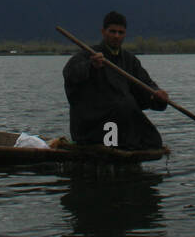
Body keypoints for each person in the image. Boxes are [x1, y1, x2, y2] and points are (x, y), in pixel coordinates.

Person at [63, 11, 170, 149]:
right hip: (94, 125)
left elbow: (146, 85)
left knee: (153, 141)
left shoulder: (130, 60)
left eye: (121, 32)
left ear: (125, 34)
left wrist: (157, 95)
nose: (116, 36)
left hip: (123, 122)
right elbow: (70, 75)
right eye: (112, 31)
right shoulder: (88, 55)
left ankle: (128, 146)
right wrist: (91, 66)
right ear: (103, 32)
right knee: (122, 108)